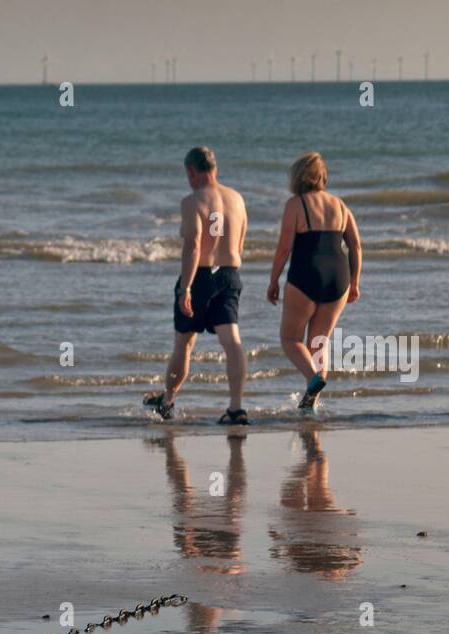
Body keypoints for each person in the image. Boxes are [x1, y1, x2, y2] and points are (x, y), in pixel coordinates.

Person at [144, 146, 250, 425]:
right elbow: (239, 243)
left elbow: (192, 247)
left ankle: (167, 402)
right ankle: (236, 408)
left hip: (200, 276)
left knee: (184, 343)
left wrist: (186, 289)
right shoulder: (237, 199)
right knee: (232, 342)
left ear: (191, 171)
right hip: (229, 275)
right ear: (214, 168)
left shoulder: (192, 202)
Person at [266, 151, 362, 410]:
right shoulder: (341, 205)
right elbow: (355, 245)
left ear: (297, 177)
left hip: (306, 274)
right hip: (338, 278)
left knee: (290, 339)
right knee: (319, 341)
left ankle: (312, 379)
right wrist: (354, 283)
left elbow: (284, 247)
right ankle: (313, 402)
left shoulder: (295, 205)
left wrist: (273, 281)